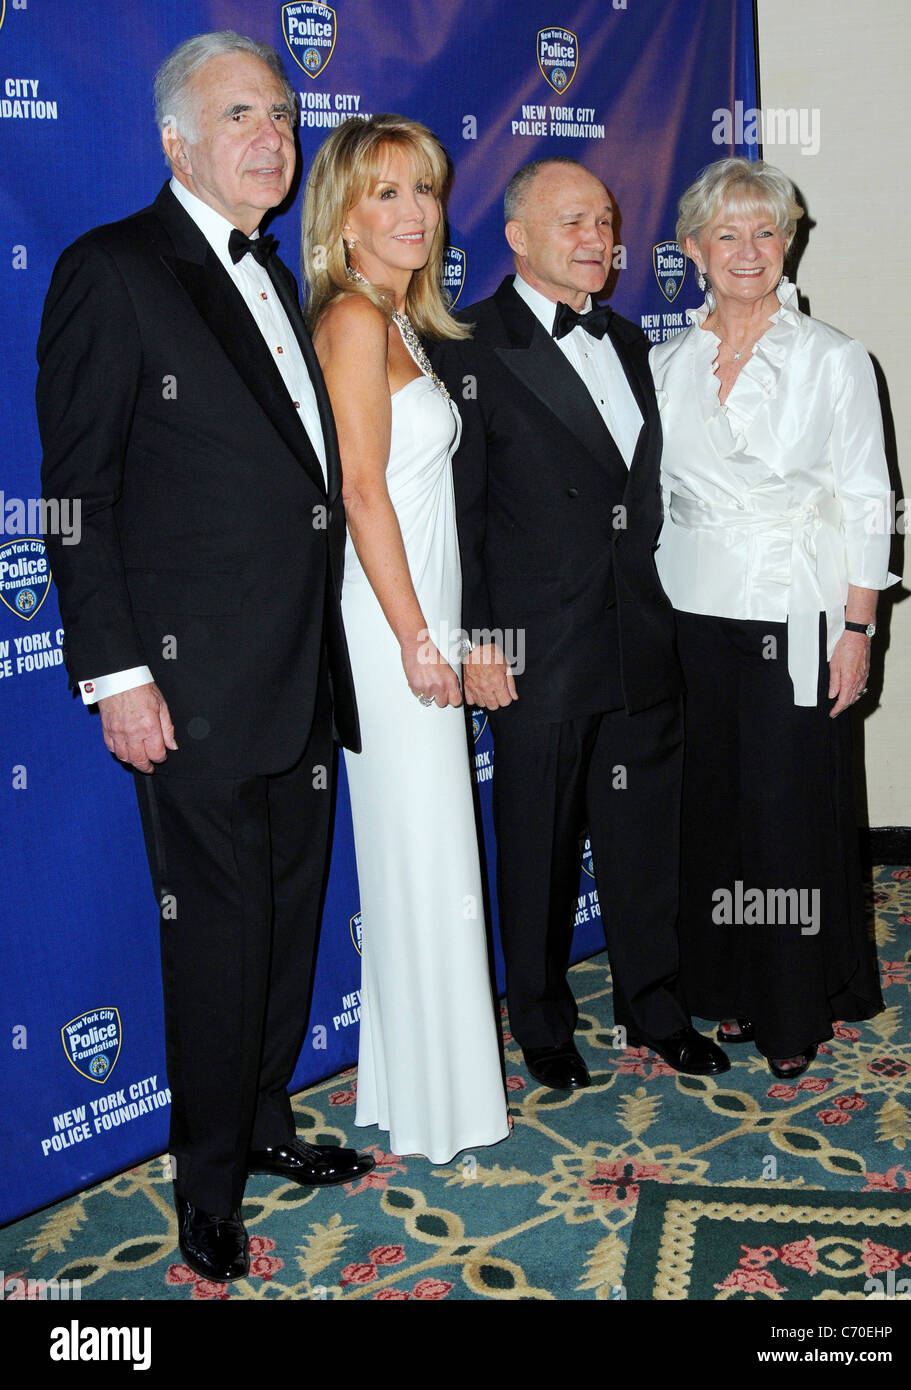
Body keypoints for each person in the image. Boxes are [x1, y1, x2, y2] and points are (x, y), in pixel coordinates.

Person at [36, 31, 375, 1285]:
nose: (272, 137)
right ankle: (208, 1185)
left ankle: (268, 1120)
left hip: (297, 675)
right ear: (175, 139)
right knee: (216, 940)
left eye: (282, 116)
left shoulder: (277, 277)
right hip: (188, 690)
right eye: (242, 115)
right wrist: (117, 673)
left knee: (286, 929)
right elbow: (76, 493)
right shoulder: (112, 271)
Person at [432, 157, 730, 1090]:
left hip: (639, 636)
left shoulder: (637, 343)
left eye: (604, 220)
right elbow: (458, 512)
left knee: (646, 842)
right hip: (535, 648)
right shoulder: (470, 342)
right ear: (516, 238)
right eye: (572, 222)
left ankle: (655, 1006)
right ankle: (541, 1021)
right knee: (537, 845)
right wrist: (477, 639)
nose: (597, 239)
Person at [650, 157, 895, 1079]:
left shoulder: (834, 359)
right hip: (690, 618)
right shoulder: (664, 362)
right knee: (711, 814)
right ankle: (734, 986)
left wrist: (858, 627)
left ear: (786, 242)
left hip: (797, 615)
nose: (747, 251)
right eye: (727, 234)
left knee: (785, 815)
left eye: (765, 232)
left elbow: (867, 500)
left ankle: (794, 1005)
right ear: (693, 250)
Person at [300, 115, 510, 1162]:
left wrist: (451, 630)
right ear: (342, 213)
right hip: (389, 632)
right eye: (387, 193)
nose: (417, 212)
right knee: (425, 854)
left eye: (425, 191)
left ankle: (410, 1087)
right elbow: (364, 490)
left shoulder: (395, 318)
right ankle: (442, 1103)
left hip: (416, 618)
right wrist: (421, 639)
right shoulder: (350, 320)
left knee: (424, 858)